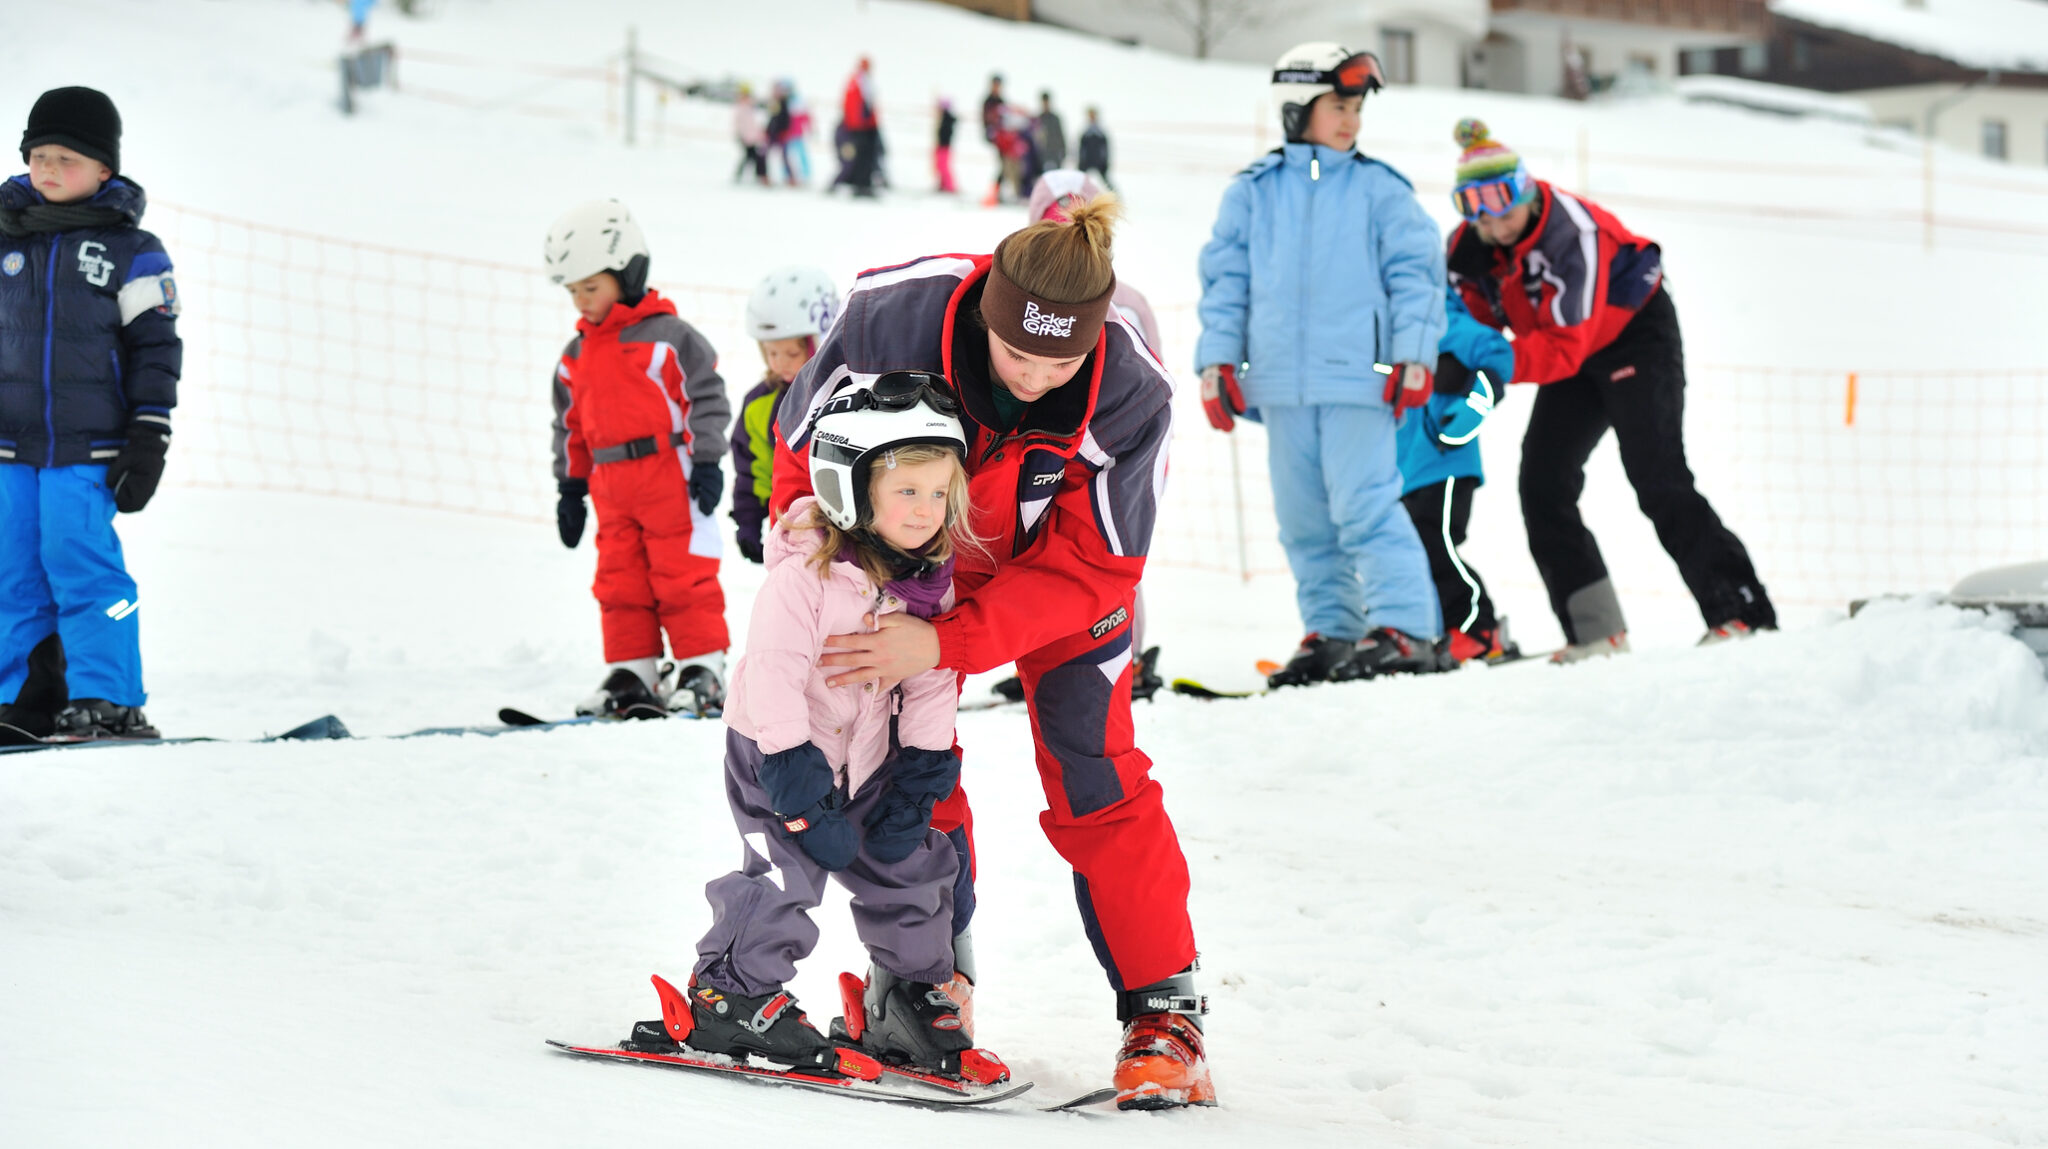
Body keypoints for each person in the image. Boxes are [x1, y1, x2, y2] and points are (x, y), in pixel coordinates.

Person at [767, 196, 1215, 1110]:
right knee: (905, 767)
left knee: (1096, 774)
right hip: (905, 566)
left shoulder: (1132, 391)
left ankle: (1166, 1015)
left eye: (1063, 363)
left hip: (1055, 586)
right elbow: (800, 453)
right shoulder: (888, 319)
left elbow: (1098, 564)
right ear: (985, 316)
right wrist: (822, 582)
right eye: (1019, 356)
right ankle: (925, 983)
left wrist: (951, 639)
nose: (1038, 380)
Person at [620, 376, 1011, 1083]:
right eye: (907, 491)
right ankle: (730, 995)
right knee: (785, 870)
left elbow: (930, 677)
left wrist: (920, 772)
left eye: (938, 492)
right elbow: (772, 673)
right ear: (850, 488)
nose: (926, 510)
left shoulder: (927, 578)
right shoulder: (806, 574)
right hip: (779, 754)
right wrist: (793, 771)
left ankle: (909, 997)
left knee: (912, 865)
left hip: (869, 760)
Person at [1442, 119, 1775, 660]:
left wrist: (1496, 363)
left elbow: (1562, 346)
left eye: (1505, 213)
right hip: (1566, 348)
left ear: (1526, 193)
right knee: (1542, 483)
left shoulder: (1574, 234)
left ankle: (1742, 613)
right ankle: (1596, 633)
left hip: (1631, 337)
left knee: (1656, 474)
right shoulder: (1467, 247)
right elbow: (1470, 323)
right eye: (1481, 218)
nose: (1496, 228)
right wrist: (1466, 375)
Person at [1195, 43, 1450, 690]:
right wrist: (1217, 362)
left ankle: (1405, 629)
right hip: (1281, 382)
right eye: (1339, 107)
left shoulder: (1379, 190)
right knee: (1303, 521)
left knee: (1366, 507)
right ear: (1296, 108)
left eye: (1357, 108)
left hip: (1360, 379)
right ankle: (1333, 630)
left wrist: (1414, 355)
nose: (1351, 121)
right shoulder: (1253, 192)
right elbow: (1226, 282)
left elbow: (1417, 276)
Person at [0, 86, 180, 743]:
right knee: (13, 573)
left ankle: (109, 697)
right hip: (9, 448)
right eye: (38, 156)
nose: (48, 169)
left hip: (88, 449)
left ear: (104, 169)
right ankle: (22, 698)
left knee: (84, 568)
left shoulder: (133, 250)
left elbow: (156, 347)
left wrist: (149, 432)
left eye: (67, 159)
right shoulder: (4, 240)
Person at [543, 201, 732, 717]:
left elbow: (706, 399)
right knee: (619, 580)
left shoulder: (669, 339)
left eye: (591, 286)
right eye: (573, 291)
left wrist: (708, 461)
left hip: (669, 475)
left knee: (682, 574)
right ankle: (633, 671)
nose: (582, 300)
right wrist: (570, 489)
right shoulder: (575, 355)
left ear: (626, 273)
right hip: (610, 485)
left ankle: (703, 667)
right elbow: (569, 427)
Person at [1396, 288, 1520, 664]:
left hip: (1445, 458)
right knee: (1412, 550)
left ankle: (1478, 628)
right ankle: (1424, 633)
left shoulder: (1442, 320)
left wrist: (1474, 407)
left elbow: (1497, 353)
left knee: (1436, 541)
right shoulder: (1389, 335)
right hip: (1408, 469)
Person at [731, 265, 840, 564]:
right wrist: (748, 522)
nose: (780, 363)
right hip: (793, 537)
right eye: (771, 353)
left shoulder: (845, 395)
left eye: (791, 353)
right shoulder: (759, 404)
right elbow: (753, 469)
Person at [841, 57, 880, 199]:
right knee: (861, 157)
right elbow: (853, 106)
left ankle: (865, 184)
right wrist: (858, 125)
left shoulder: (865, 82)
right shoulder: (857, 82)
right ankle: (860, 185)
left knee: (868, 157)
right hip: (860, 128)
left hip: (867, 127)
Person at [732, 84, 769, 186]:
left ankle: (753, 175)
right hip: (746, 137)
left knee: (751, 157)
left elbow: (752, 124)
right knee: (750, 156)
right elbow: (742, 125)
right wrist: (744, 136)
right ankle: (752, 176)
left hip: (751, 137)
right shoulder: (741, 108)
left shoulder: (749, 107)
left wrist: (758, 134)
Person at [979, 74, 1007, 206]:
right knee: (1002, 165)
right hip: (996, 139)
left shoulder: (1001, 100)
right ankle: (994, 193)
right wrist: (990, 133)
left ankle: (997, 192)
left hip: (1003, 138)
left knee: (1004, 165)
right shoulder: (988, 101)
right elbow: (986, 120)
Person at [1077, 106, 1113, 191]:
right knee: (1079, 182)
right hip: (1087, 161)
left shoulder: (1100, 133)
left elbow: (1105, 149)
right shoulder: (1085, 133)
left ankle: (1115, 196)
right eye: (1090, 115)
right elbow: (1082, 149)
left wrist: (1105, 161)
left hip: (1098, 161)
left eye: (1093, 115)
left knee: (1107, 182)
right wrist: (1081, 161)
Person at [1035, 90, 1067, 172]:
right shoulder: (1038, 119)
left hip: (1055, 153)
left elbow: (1060, 135)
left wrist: (1063, 151)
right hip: (1042, 154)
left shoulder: (1055, 119)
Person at [933, 97, 958, 194]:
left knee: (943, 167)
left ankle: (949, 186)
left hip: (944, 146)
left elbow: (944, 134)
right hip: (942, 146)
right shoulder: (944, 118)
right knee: (940, 166)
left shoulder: (947, 119)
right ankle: (943, 184)